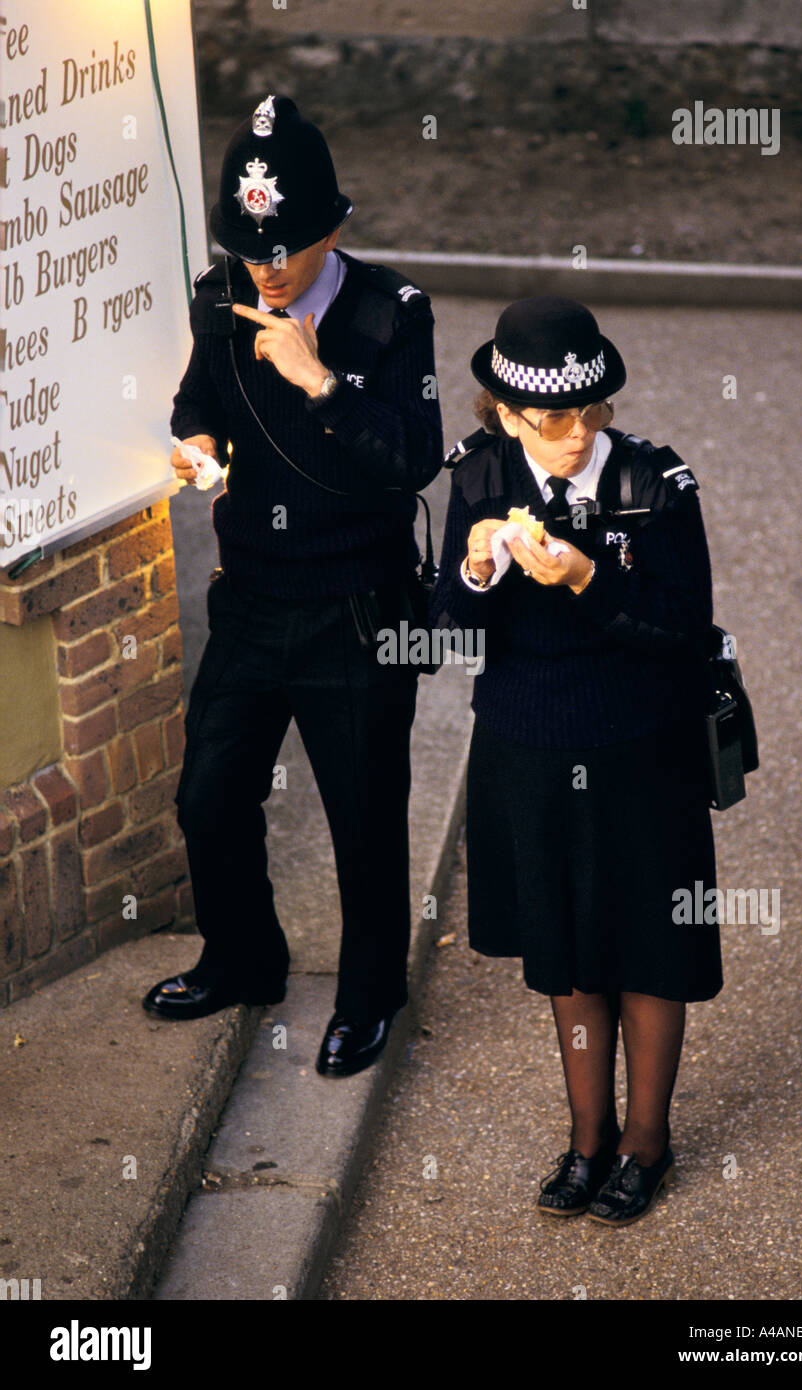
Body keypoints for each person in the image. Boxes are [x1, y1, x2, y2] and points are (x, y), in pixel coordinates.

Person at [142, 95, 443, 1079]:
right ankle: (242, 959)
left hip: (356, 607)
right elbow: (197, 400)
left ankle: (369, 996)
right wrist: (195, 443)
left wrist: (320, 382)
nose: (266, 270)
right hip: (250, 598)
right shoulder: (219, 298)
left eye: (284, 251)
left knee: (364, 816)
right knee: (208, 797)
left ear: (332, 230)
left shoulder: (390, 314)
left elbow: (413, 459)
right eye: (249, 251)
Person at [429, 297, 722, 1224]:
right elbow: (445, 628)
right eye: (551, 418)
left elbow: (681, 630)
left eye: (589, 411)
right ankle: (587, 1138)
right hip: (528, 744)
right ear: (504, 412)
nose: (575, 434)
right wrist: (477, 572)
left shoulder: (655, 482)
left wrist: (589, 578)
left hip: (642, 746)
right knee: (568, 952)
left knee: (649, 949)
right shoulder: (478, 477)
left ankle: (646, 1143)